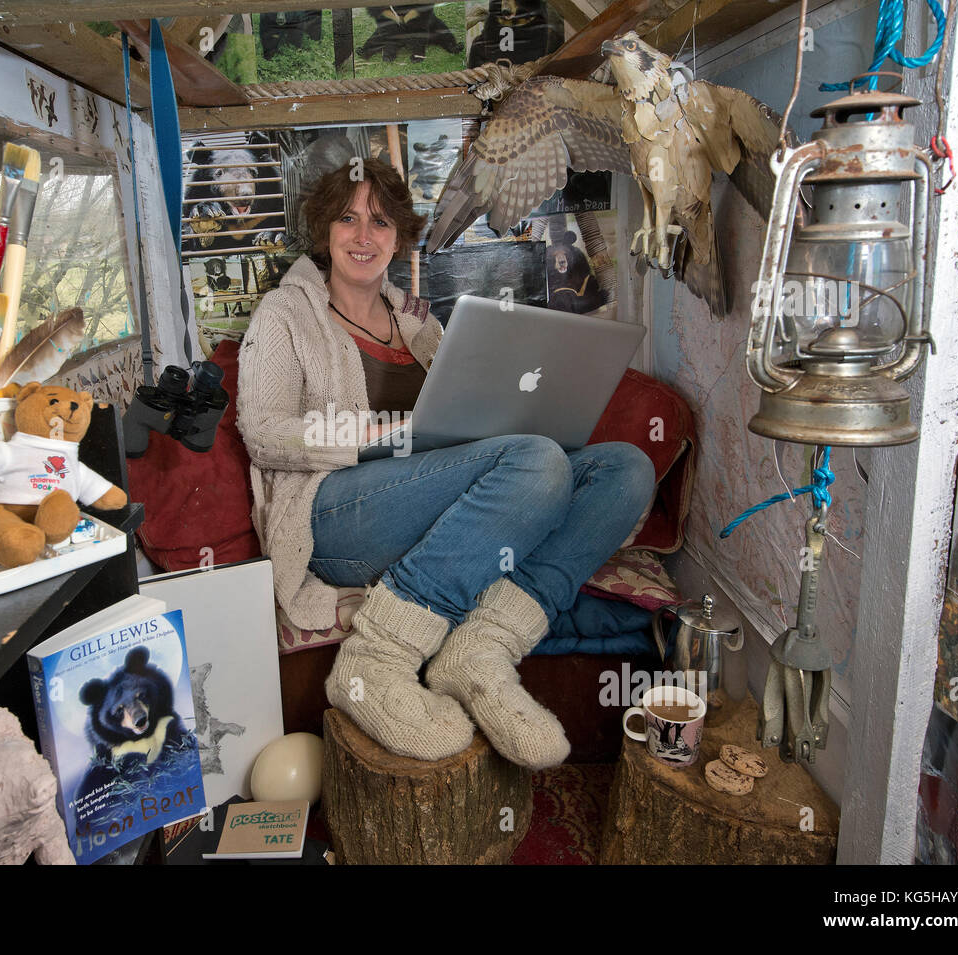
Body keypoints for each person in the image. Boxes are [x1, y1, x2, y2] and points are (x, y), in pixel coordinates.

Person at [236, 158, 655, 769]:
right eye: (346, 219)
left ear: (399, 236)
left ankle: (482, 648)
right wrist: (385, 432)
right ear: (324, 230)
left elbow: (454, 424)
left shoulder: (417, 320)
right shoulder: (285, 315)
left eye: (379, 222)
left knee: (625, 469)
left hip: (422, 506)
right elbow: (263, 432)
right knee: (535, 463)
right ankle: (377, 657)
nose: (362, 236)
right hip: (332, 516)